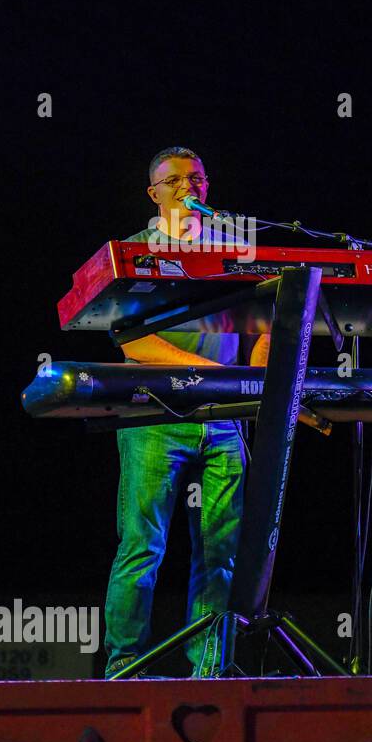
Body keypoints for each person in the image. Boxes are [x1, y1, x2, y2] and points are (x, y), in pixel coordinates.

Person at [103, 147, 270, 678]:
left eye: (195, 178)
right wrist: (207, 373)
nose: (186, 187)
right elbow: (134, 342)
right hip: (155, 415)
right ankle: (125, 665)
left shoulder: (231, 247)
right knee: (142, 547)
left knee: (220, 553)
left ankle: (210, 668)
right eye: (173, 180)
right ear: (153, 194)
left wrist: (262, 384)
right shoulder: (132, 250)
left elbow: (265, 325)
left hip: (222, 417)